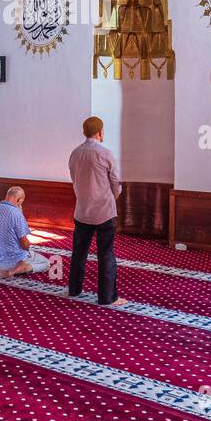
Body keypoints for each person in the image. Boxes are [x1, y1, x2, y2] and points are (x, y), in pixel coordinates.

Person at [67, 116, 126, 306]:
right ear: (100, 132)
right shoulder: (105, 153)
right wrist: (113, 196)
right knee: (106, 254)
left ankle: (74, 290)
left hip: (82, 211)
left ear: (84, 132)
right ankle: (107, 297)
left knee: (79, 253)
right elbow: (115, 182)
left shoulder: (75, 153)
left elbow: (74, 180)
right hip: (104, 212)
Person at [0, 186, 49, 279]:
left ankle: (4, 271)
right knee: (46, 263)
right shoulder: (16, 213)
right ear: (19, 200)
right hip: (14, 261)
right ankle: (19, 269)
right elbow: (24, 244)